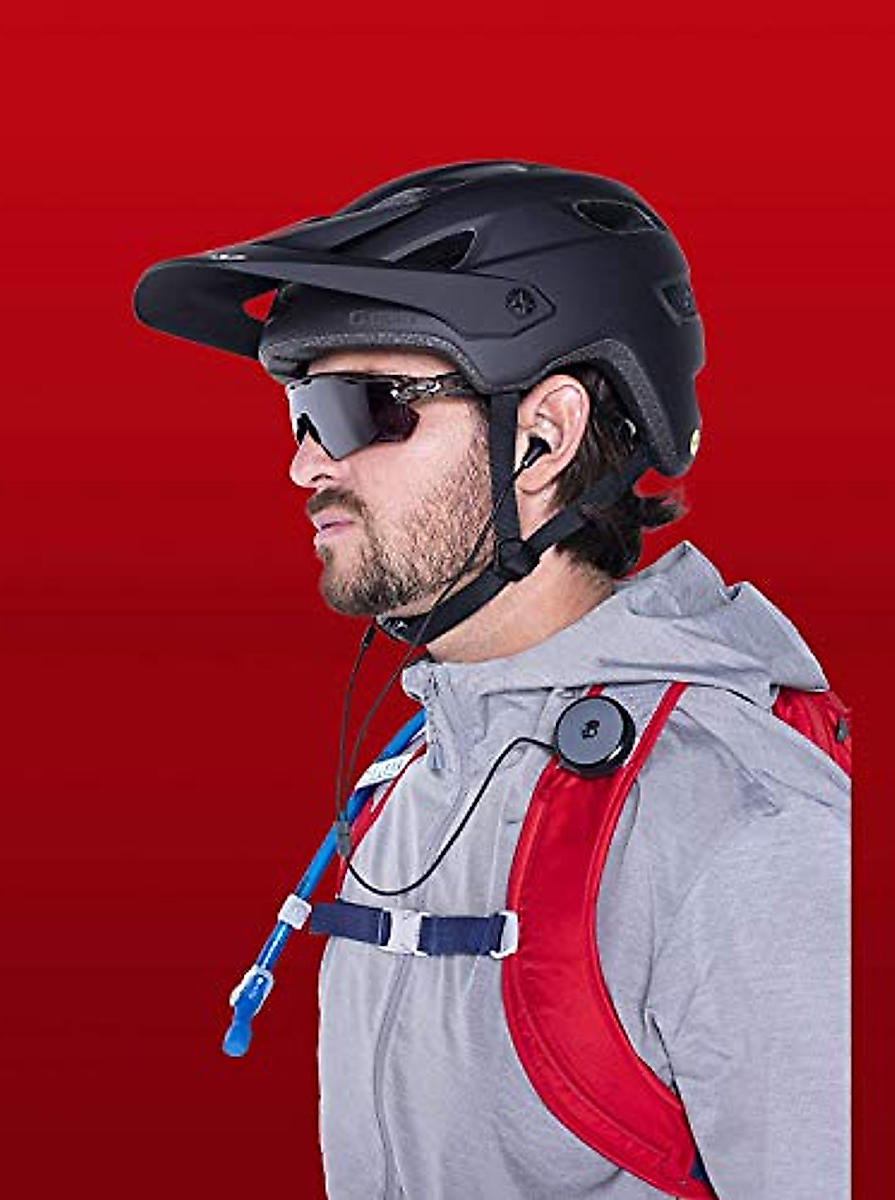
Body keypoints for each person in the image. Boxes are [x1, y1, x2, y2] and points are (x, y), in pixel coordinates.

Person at [134, 160, 850, 1199]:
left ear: (543, 436)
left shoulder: (741, 831)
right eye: (301, 412)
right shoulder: (412, 780)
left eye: (363, 408)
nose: (306, 466)